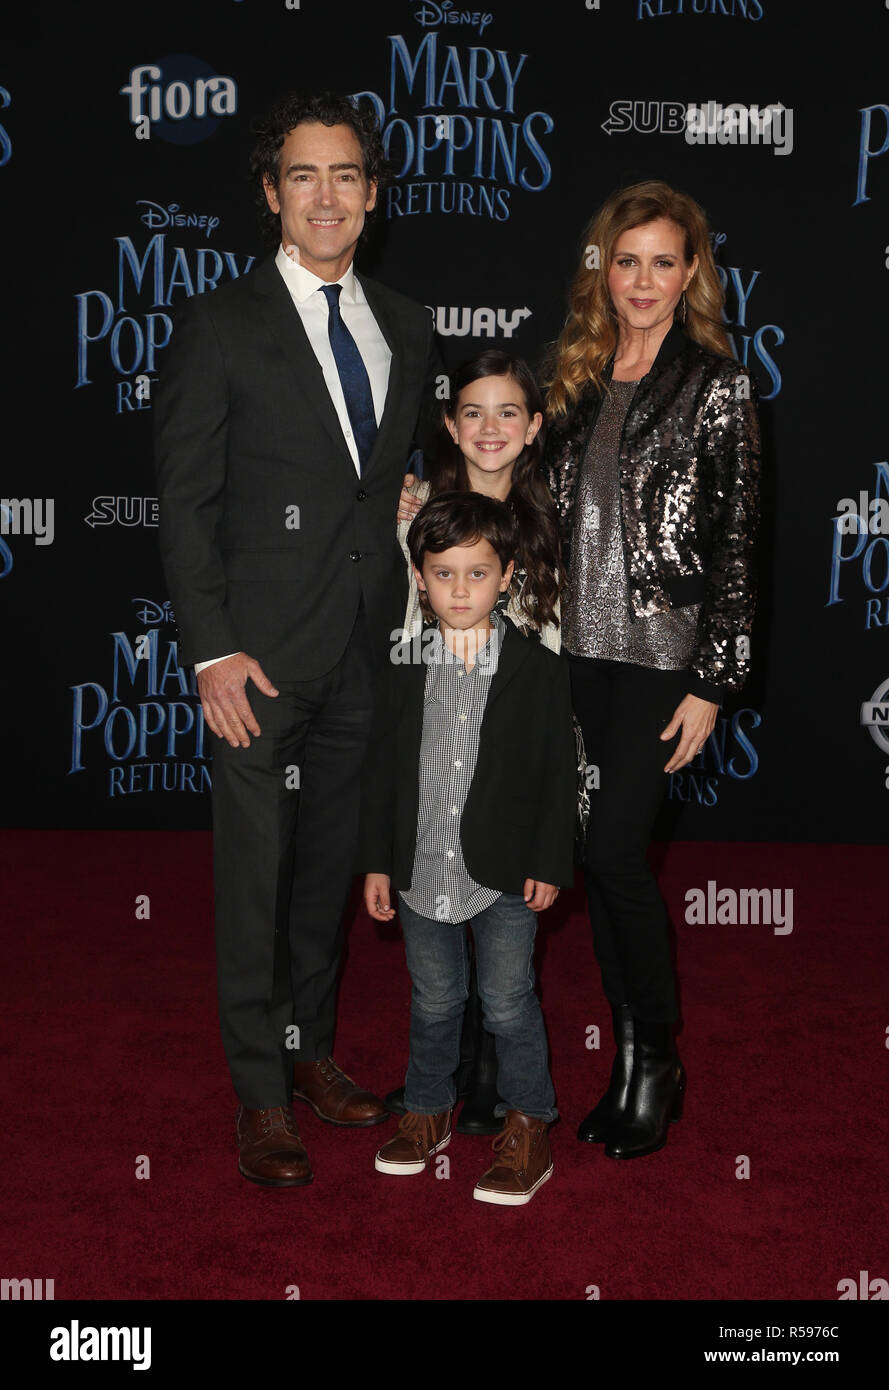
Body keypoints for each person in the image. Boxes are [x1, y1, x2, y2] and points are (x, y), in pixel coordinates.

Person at [154, 91, 439, 1187]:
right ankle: (259, 1095)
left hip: (367, 651)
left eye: (348, 176)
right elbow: (184, 502)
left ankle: (308, 1051)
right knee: (255, 879)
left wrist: (406, 517)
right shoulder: (220, 325)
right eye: (305, 176)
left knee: (323, 875)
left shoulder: (404, 325)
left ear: (371, 195)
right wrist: (212, 649)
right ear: (273, 194)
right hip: (256, 664)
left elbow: (375, 488)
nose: (327, 195)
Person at [544, 179, 761, 1159]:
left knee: (614, 856)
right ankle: (632, 1062)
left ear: (689, 274)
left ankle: (651, 1055)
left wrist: (713, 684)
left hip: (658, 662)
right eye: (624, 259)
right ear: (603, 268)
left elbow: (738, 544)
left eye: (662, 261)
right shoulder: (574, 372)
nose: (641, 279)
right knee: (585, 858)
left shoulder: (715, 384)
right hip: (567, 654)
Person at [360, 492, 576, 1205]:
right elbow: (383, 769)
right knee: (434, 998)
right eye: (443, 573)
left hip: (505, 872)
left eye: (477, 573)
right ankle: (427, 1111)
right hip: (421, 866)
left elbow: (555, 773)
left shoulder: (537, 670)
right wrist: (377, 860)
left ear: (507, 575)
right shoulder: (400, 663)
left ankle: (527, 1123)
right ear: (418, 577)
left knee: (507, 1000)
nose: (459, 589)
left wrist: (549, 861)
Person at [385, 352, 563, 1136]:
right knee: (438, 963)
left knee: (503, 966)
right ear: (451, 425)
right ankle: (441, 1083)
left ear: (531, 426)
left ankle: (500, 1084)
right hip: (434, 717)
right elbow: (397, 609)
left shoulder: (553, 514)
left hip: (521, 726)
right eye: (473, 413)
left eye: (508, 412)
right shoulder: (413, 509)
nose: (490, 429)